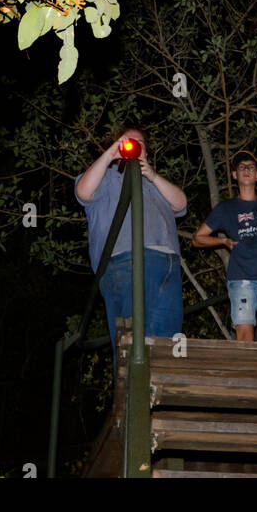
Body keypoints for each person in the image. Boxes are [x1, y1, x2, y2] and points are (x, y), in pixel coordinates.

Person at [74, 126, 187, 353]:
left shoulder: (155, 183)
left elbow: (181, 203)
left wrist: (152, 175)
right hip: (126, 262)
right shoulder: (106, 178)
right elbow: (83, 192)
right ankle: (133, 388)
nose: (135, 145)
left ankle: (159, 387)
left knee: (166, 341)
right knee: (133, 341)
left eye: (141, 142)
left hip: (169, 266)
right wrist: (110, 154)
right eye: (128, 141)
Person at [193, 151, 257, 343]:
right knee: (245, 336)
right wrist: (223, 242)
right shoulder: (226, 208)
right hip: (241, 279)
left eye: (251, 167)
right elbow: (198, 238)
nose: (246, 170)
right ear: (234, 174)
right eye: (241, 167)